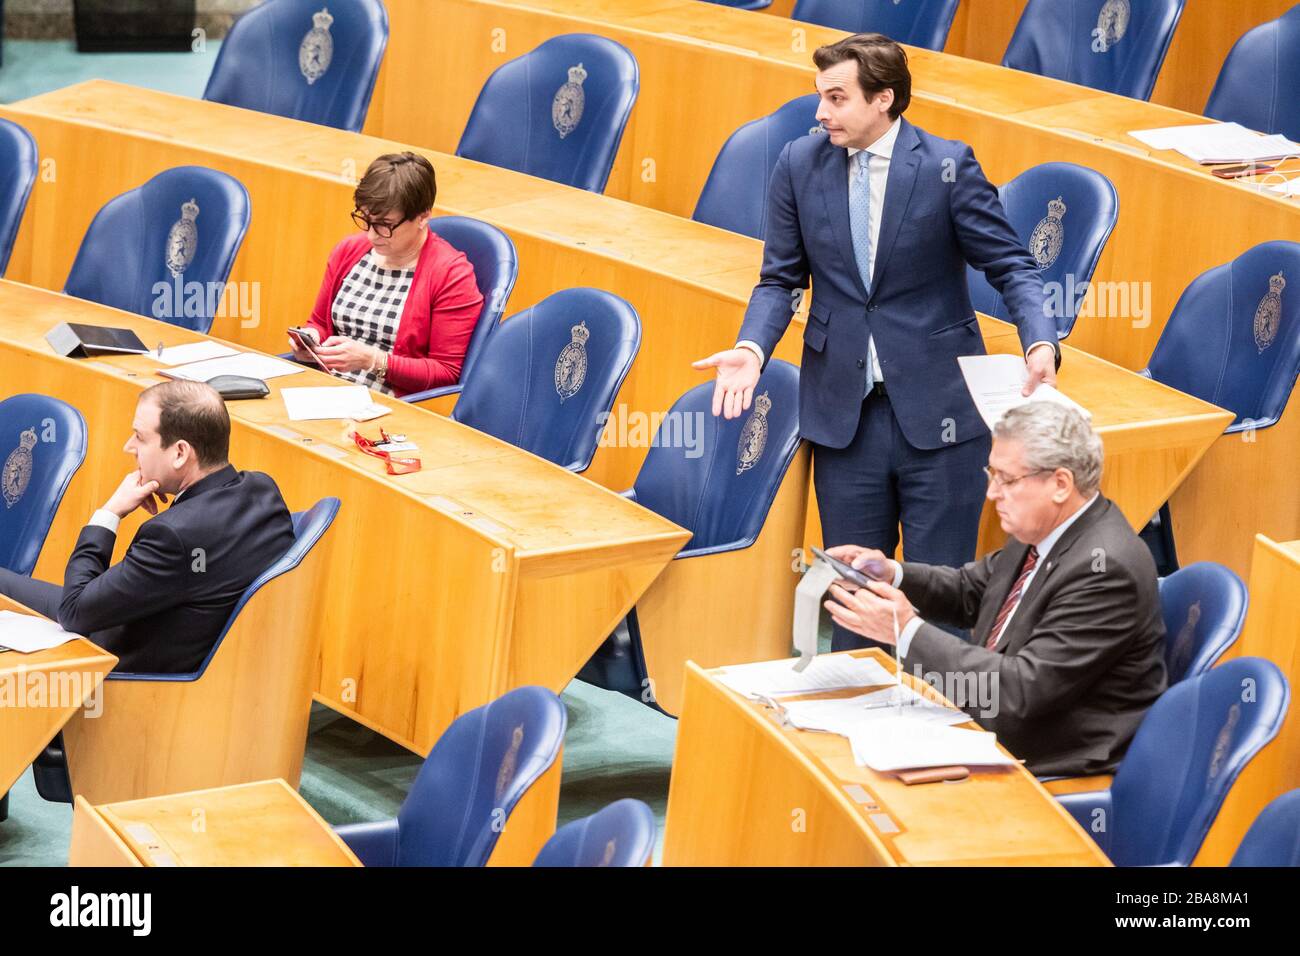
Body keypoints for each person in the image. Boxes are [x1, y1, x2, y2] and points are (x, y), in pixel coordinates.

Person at [693, 33, 1059, 650]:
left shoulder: (948, 166)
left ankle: (935, 736)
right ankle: (855, 733)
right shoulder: (797, 165)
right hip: (845, 419)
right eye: (820, 96)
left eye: (837, 98)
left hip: (940, 417)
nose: (821, 112)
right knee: (856, 598)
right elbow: (780, 279)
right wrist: (752, 349)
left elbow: (1013, 267)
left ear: (883, 98)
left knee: (937, 600)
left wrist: (1040, 344)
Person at [824, 402, 1167, 778]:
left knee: (865, 781)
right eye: (992, 474)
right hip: (994, 726)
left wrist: (904, 630)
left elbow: (1020, 691)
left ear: (1060, 484)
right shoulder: (1043, 529)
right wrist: (892, 573)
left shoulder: (1105, 570)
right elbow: (971, 589)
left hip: (1055, 763)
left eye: (1006, 479)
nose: (991, 493)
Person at [0, 380, 295, 674]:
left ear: (180, 453)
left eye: (139, 437)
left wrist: (109, 513)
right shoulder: (263, 489)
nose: (128, 447)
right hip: (226, 675)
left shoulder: (173, 536)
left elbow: (74, 612)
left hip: (127, 679)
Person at [290, 151, 484, 397]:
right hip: (328, 389)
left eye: (385, 225)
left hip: (392, 406)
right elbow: (319, 323)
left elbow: (446, 373)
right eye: (366, 219)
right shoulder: (349, 250)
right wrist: (311, 339)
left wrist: (374, 360)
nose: (371, 235)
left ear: (423, 217)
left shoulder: (452, 275)